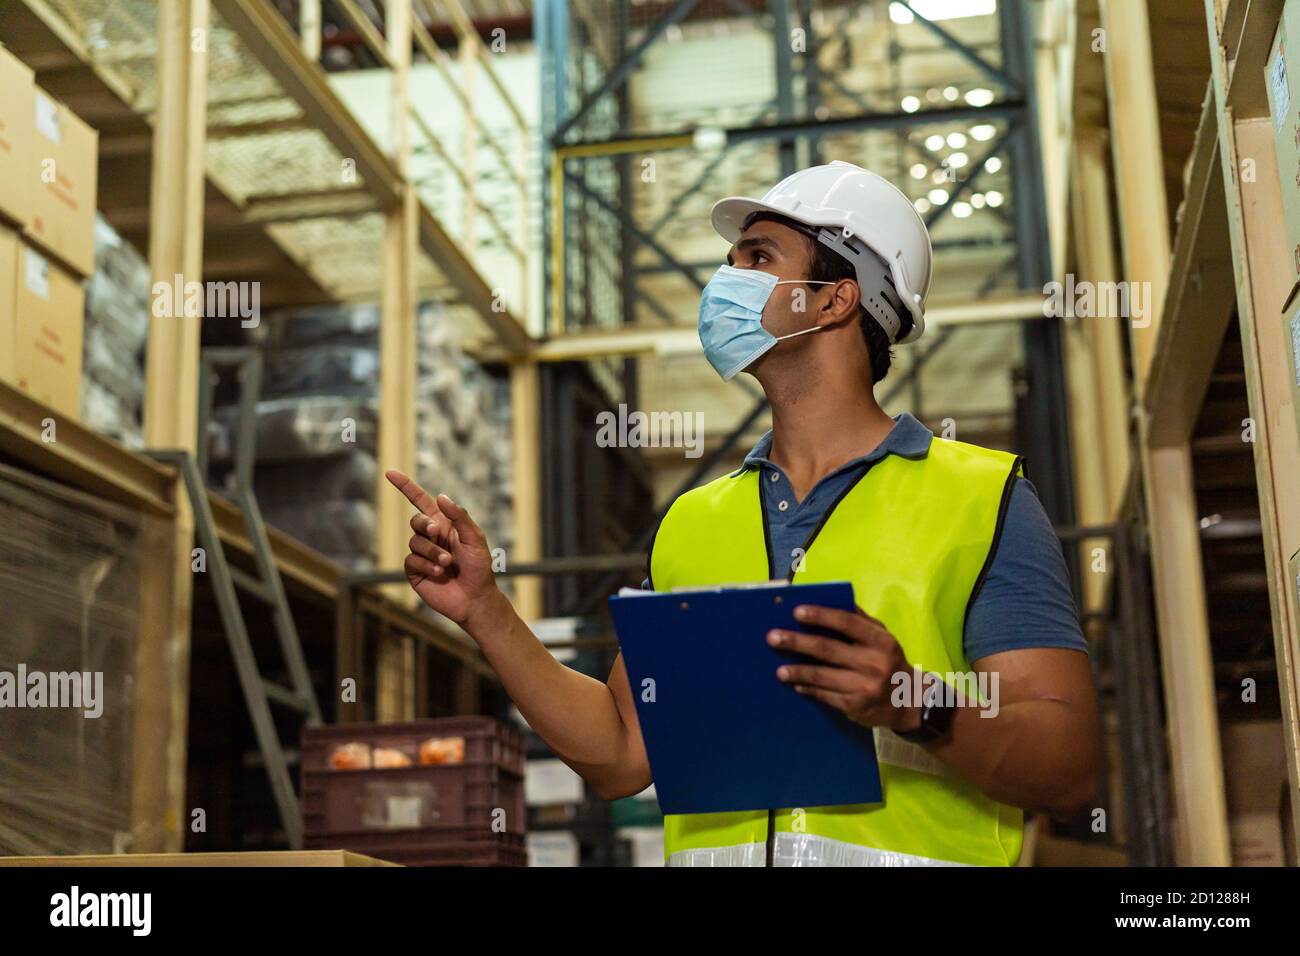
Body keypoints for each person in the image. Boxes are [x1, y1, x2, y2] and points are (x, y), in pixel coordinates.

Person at [386, 161, 1099, 867]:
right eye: (731, 261)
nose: (726, 281)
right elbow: (621, 754)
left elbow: (1067, 768)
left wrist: (912, 702)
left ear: (834, 301)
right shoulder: (695, 521)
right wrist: (485, 610)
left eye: (758, 258)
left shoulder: (983, 497)